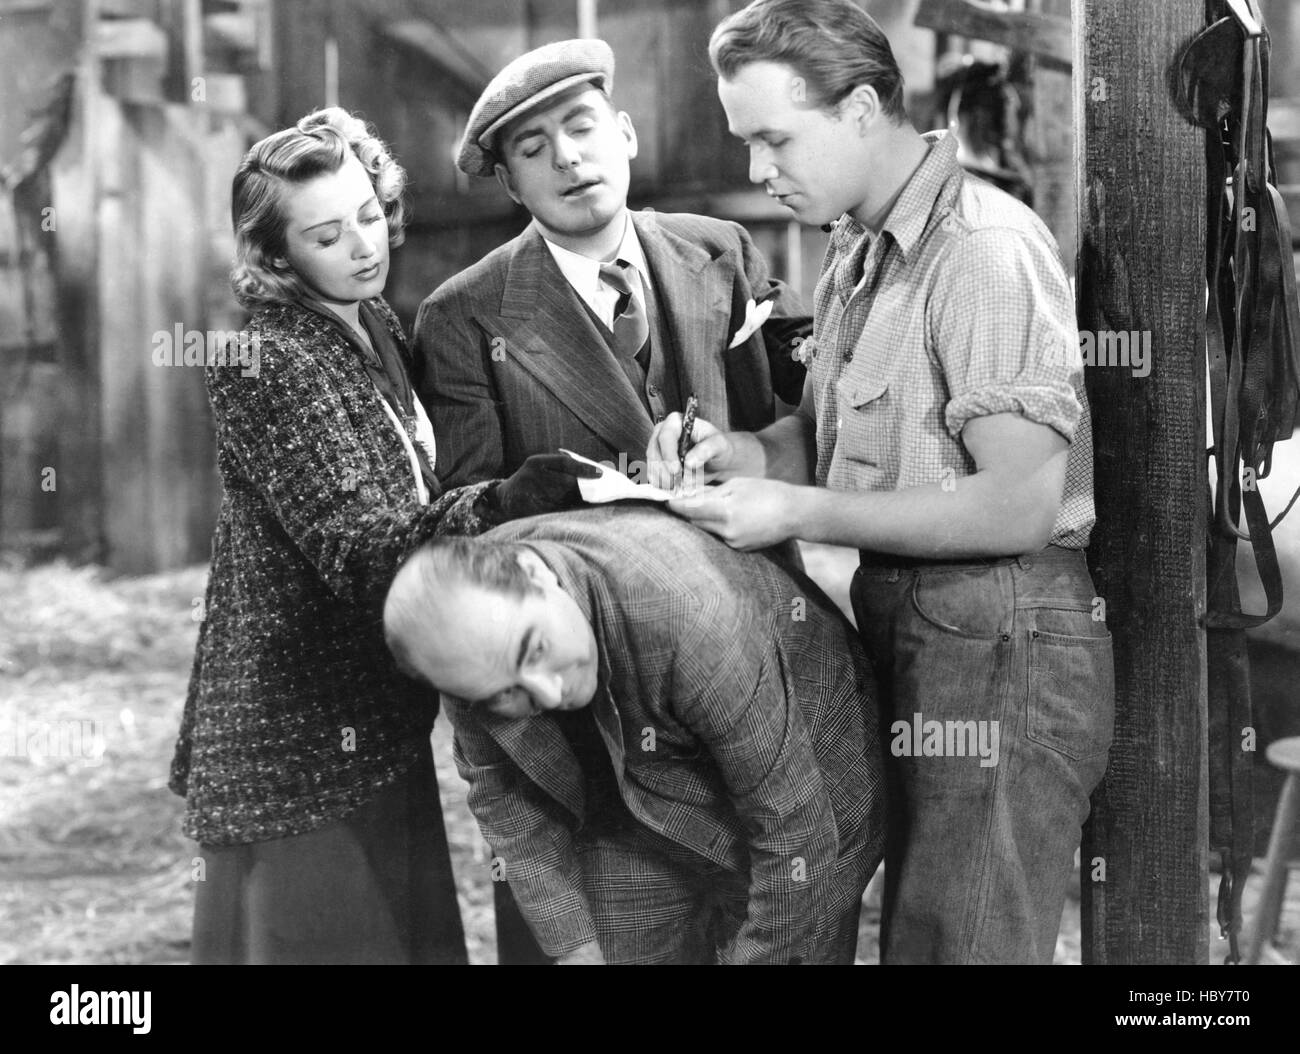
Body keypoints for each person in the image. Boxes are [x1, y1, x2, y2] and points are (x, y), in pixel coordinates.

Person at [647, 0, 1114, 964]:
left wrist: (798, 509)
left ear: (861, 108)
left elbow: (1019, 504)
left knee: (959, 948)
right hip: (923, 624)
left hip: (1005, 638)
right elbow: (838, 442)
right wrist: (745, 456)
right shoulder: (861, 247)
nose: (755, 170)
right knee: (922, 941)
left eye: (774, 138)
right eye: (746, 142)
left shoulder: (982, 249)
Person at [168, 108, 594, 965]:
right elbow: (359, 548)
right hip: (293, 728)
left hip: (370, 712)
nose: (364, 246)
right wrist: (503, 501)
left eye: (368, 214)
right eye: (327, 234)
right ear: (278, 255)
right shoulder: (266, 358)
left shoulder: (372, 327)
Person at [383, 506, 885, 965]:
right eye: (504, 693)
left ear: (536, 575)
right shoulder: (467, 651)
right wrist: (575, 949)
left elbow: (794, 833)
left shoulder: (694, 614)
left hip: (811, 780)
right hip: (634, 790)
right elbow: (509, 804)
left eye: (533, 650)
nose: (548, 691)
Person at [411, 37, 811, 490]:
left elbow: (825, 364)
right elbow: (473, 506)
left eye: (581, 127)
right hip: (586, 559)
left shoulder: (723, 248)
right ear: (510, 184)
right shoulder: (460, 316)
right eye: (533, 149)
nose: (566, 157)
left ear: (626, 134)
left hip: (747, 557)